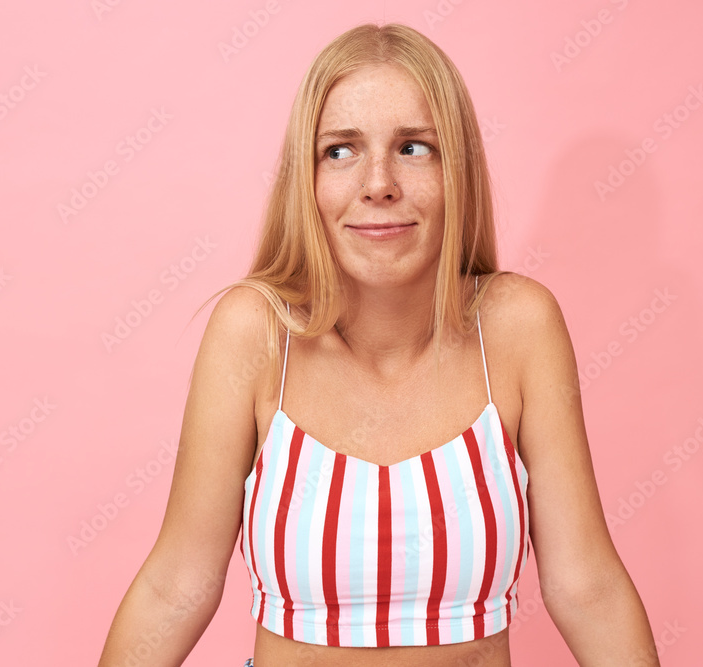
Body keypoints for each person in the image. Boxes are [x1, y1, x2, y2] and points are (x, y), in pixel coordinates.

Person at [98, 22, 659, 667]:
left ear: (459, 171)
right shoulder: (254, 331)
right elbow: (176, 586)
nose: (378, 183)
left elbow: (587, 587)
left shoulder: (517, 327)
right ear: (304, 180)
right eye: (340, 151)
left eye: (415, 147)